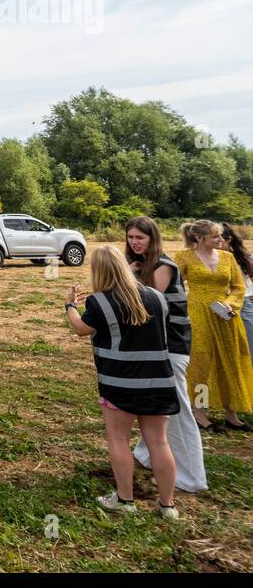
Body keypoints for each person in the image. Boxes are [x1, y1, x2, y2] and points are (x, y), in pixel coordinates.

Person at [65, 246, 180, 518]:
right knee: (159, 443)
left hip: (120, 383)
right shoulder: (156, 297)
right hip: (159, 382)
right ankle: (167, 505)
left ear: (99, 270)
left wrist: (70, 305)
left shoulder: (101, 302)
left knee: (118, 439)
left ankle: (125, 500)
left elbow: (81, 328)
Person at [124, 216, 207, 492]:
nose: (134, 242)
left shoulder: (163, 265)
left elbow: (147, 302)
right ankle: (148, 454)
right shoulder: (145, 264)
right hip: (153, 345)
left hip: (171, 346)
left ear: (152, 238)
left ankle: (192, 475)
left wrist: (128, 274)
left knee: (178, 408)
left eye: (140, 237)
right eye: (131, 237)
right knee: (154, 404)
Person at [176, 220, 253, 429]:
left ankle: (231, 412)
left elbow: (238, 287)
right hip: (198, 314)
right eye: (216, 237)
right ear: (200, 238)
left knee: (230, 361)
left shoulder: (227, 258)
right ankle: (200, 412)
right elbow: (174, 287)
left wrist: (230, 304)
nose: (221, 240)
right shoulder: (184, 257)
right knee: (202, 364)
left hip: (225, 315)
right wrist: (182, 310)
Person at [219, 223, 253, 366]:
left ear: (228, 239)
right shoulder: (208, 259)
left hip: (245, 304)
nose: (216, 242)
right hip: (220, 307)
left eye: (219, 238)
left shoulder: (243, 258)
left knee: (249, 347)